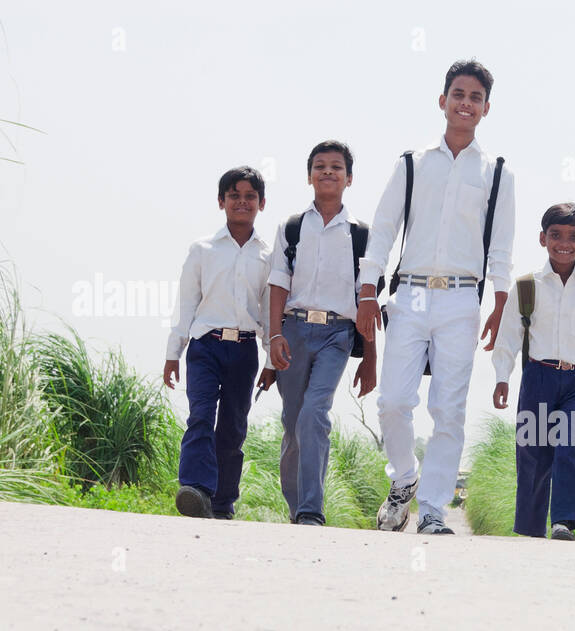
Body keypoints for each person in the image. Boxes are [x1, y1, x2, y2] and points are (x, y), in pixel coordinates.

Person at [357, 59, 515, 535]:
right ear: (442, 100)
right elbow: (383, 229)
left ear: (487, 109)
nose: (465, 103)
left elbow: (502, 244)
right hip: (410, 295)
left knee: (449, 409)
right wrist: (368, 289)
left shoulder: (498, 173)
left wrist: (501, 303)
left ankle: (431, 511)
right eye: (458, 94)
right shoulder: (411, 164)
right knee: (392, 402)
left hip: (463, 300)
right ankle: (404, 479)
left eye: (475, 98)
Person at [492, 203, 575, 540]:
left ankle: (563, 521)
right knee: (533, 454)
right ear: (542, 238)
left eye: (573, 237)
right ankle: (531, 529)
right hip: (538, 377)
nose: (564, 243)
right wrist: (502, 378)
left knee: (571, 446)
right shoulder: (526, 286)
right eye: (556, 235)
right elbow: (508, 336)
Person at [267, 140, 376, 526]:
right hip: (293, 331)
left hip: (337, 335)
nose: (328, 172)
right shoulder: (292, 227)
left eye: (336, 167)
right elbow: (278, 284)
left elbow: (369, 301)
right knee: (293, 421)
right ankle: (297, 508)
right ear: (309, 175)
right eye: (320, 166)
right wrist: (273, 337)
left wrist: (371, 361)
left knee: (315, 413)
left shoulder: (363, 235)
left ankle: (312, 510)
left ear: (349, 178)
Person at [164, 166, 274, 520]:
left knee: (233, 425)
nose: (241, 202)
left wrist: (271, 360)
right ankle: (194, 488)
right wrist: (173, 354)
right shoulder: (203, 250)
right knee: (200, 415)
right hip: (204, 347)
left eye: (249, 197)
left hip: (244, 350)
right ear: (221, 201)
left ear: (261, 203)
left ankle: (222, 502)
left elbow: (271, 312)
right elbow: (187, 303)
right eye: (234, 196)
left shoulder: (268, 256)